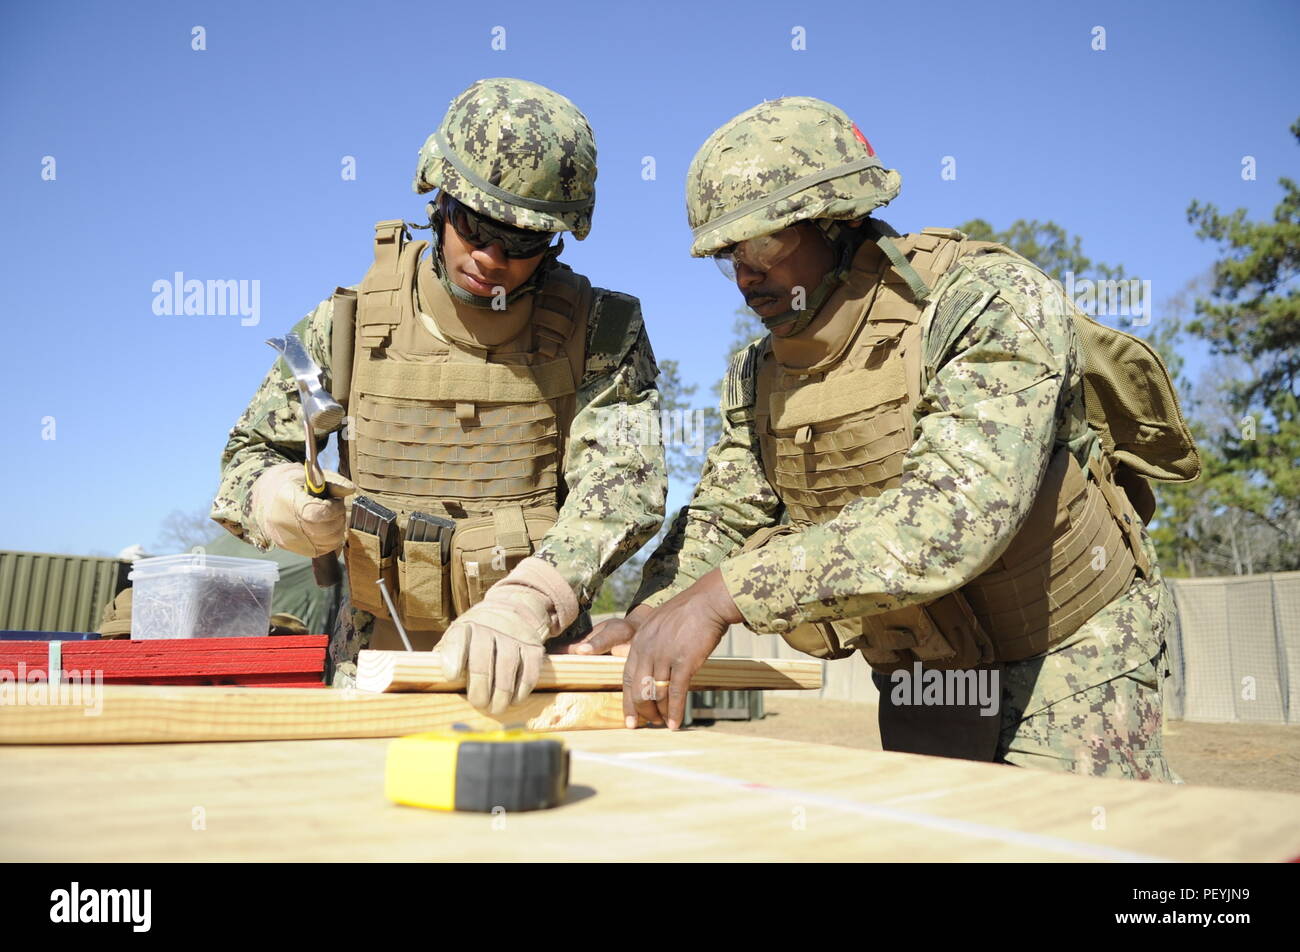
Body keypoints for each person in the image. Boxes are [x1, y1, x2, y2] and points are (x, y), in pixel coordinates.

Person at [575, 96, 1196, 781]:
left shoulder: (983, 301)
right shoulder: (759, 375)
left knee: (1066, 841)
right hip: (927, 667)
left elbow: (956, 514)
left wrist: (727, 595)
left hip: (1069, 648)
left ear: (838, 221)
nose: (746, 277)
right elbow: (723, 517)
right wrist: (655, 613)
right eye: (728, 257)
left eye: (761, 247)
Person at [211, 78, 666, 711]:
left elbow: (625, 487)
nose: (491, 257)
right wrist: (277, 497)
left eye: (523, 243)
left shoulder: (598, 333)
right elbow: (248, 454)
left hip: (535, 659)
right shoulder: (348, 323)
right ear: (440, 197)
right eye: (475, 226)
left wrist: (527, 600)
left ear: (554, 238)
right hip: (373, 663)